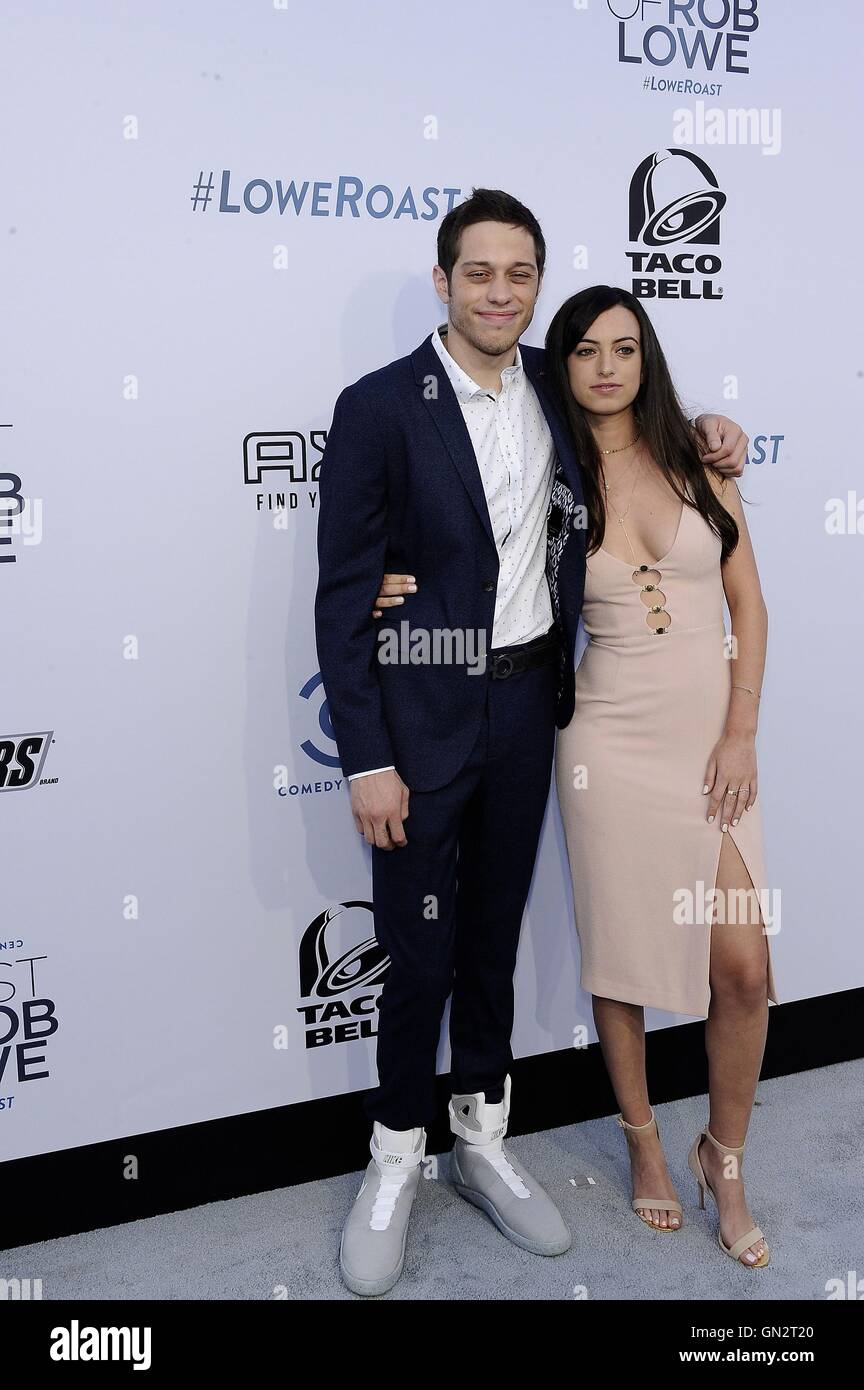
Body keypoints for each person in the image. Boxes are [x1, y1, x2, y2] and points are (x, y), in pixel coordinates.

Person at [315, 189, 747, 1297]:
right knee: (416, 955)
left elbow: (643, 419)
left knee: (491, 941)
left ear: (536, 287)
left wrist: (715, 435)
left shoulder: (561, 386)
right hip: (418, 711)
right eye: (479, 274)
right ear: (444, 280)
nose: (500, 293)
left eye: (520, 276)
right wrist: (366, 758)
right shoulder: (377, 406)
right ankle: (396, 1154)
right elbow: (341, 596)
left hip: (529, 712)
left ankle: (483, 1135)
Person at [546, 285, 776, 1267]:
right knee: (622, 954)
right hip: (604, 741)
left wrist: (741, 732)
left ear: (648, 358)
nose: (608, 366)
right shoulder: (546, 478)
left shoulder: (700, 456)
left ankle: (723, 1154)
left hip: (706, 738)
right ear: (560, 366)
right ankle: (643, 1141)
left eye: (626, 347)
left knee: (746, 969)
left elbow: (748, 604)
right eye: (588, 350)